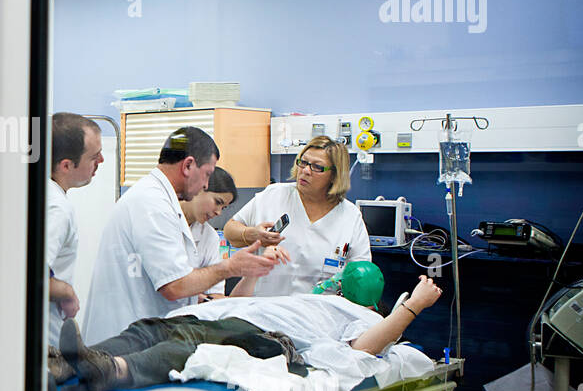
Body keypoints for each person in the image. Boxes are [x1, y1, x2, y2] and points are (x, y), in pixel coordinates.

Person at [61, 272, 443, 391]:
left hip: (267, 335)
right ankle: (67, 361)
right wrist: (252, 274)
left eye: (342, 283)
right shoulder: (313, 299)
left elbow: (363, 349)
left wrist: (412, 307)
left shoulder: (361, 315)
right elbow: (243, 300)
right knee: (150, 329)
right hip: (233, 313)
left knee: (192, 345)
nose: (334, 284)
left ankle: (114, 370)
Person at [81, 127, 279, 344]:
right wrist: (230, 267)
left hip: (148, 336)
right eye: (207, 174)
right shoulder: (151, 202)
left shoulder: (164, 203)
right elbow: (174, 286)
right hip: (122, 336)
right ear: (188, 165)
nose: (206, 184)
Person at [223, 135, 370, 297]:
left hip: (319, 310)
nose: (305, 171)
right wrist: (252, 235)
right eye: (303, 162)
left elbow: (362, 276)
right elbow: (230, 230)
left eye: (317, 167)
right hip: (266, 306)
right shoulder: (274, 195)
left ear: (335, 175)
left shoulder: (350, 216)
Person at [46, 113, 103, 347]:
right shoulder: (57, 208)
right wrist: (67, 292)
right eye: (94, 156)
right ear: (66, 165)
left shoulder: (40, 193)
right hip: (44, 340)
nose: (101, 161)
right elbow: (27, 275)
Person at [180, 166, 236, 295]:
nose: (218, 212)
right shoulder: (161, 220)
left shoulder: (209, 236)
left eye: (223, 208)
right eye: (217, 202)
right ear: (199, 188)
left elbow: (215, 293)